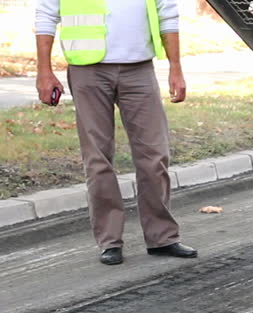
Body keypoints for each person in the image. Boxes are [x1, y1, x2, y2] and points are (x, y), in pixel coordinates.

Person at [35, 0, 197, 265]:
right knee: (98, 160)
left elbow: (167, 13)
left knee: (155, 155)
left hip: (140, 68)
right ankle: (110, 241)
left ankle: (162, 237)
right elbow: (45, 15)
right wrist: (44, 70)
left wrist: (175, 67)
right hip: (87, 70)